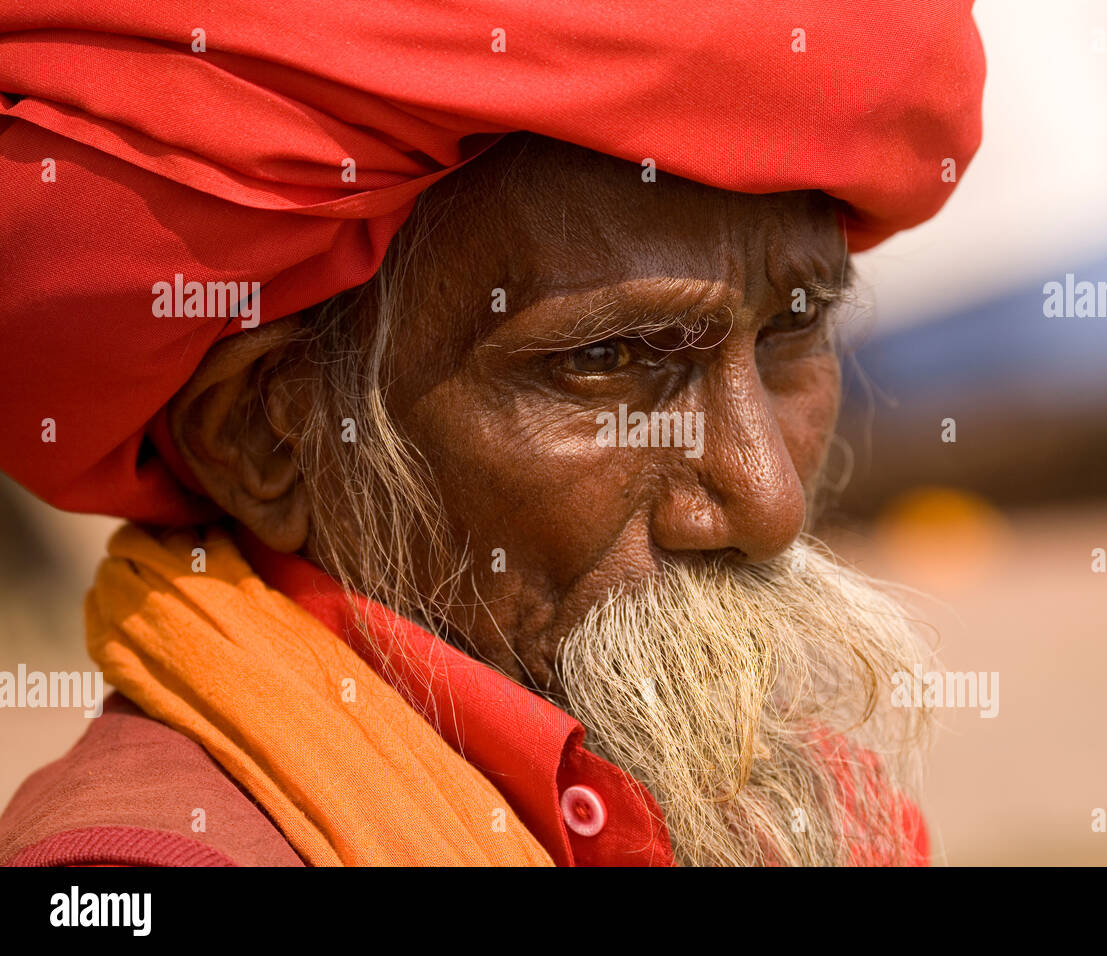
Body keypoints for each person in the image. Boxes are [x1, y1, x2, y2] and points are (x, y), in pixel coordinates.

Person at [0, 1, 985, 866]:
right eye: (609, 361)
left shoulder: (761, 799)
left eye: (794, 328)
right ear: (264, 436)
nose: (767, 503)